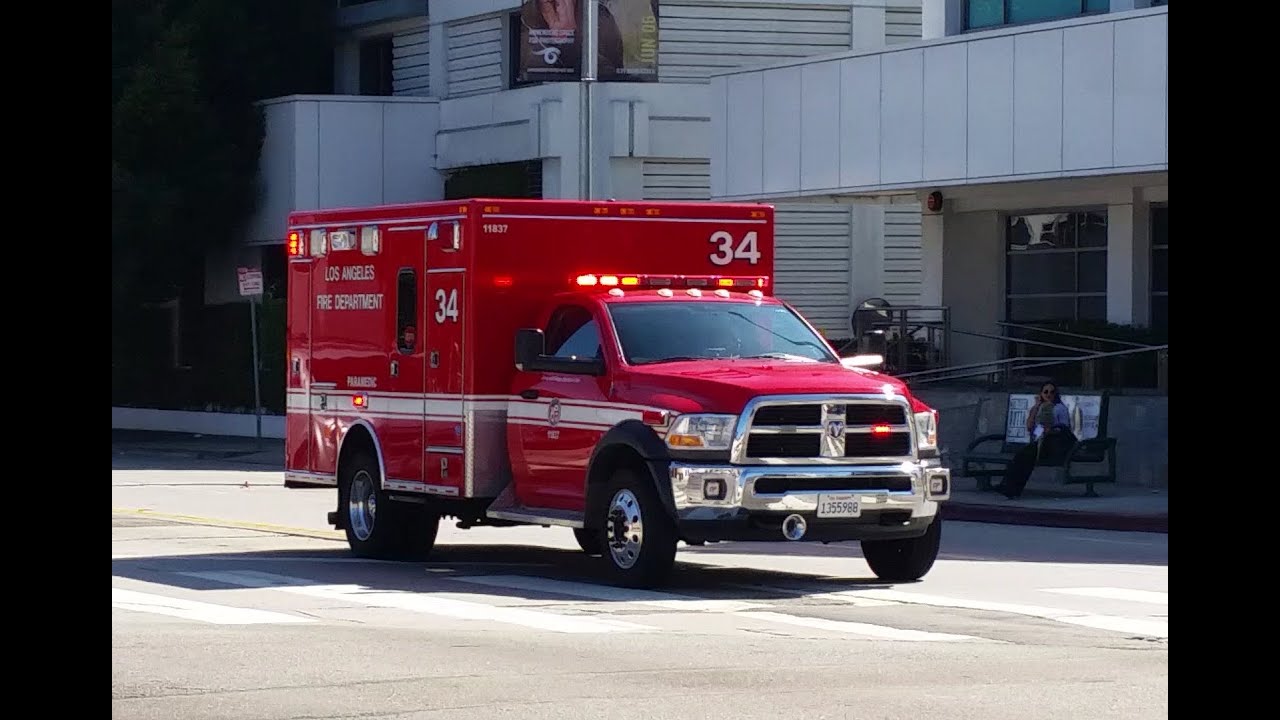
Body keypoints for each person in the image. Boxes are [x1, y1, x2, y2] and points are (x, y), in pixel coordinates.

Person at [994, 381, 1075, 499]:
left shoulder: (1059, 408)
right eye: (1045, 392)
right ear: (1041, 394)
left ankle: (1010, 488)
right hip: (1039, 441)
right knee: (1022, 456)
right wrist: (1036, 407)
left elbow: (1064, 428)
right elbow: (1030, 427)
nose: (1049, 394)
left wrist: (1050, 430)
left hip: (1053, 443)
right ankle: (1009, 487)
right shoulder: (1038, 408)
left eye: (1052, 392)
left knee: (1025, 455)